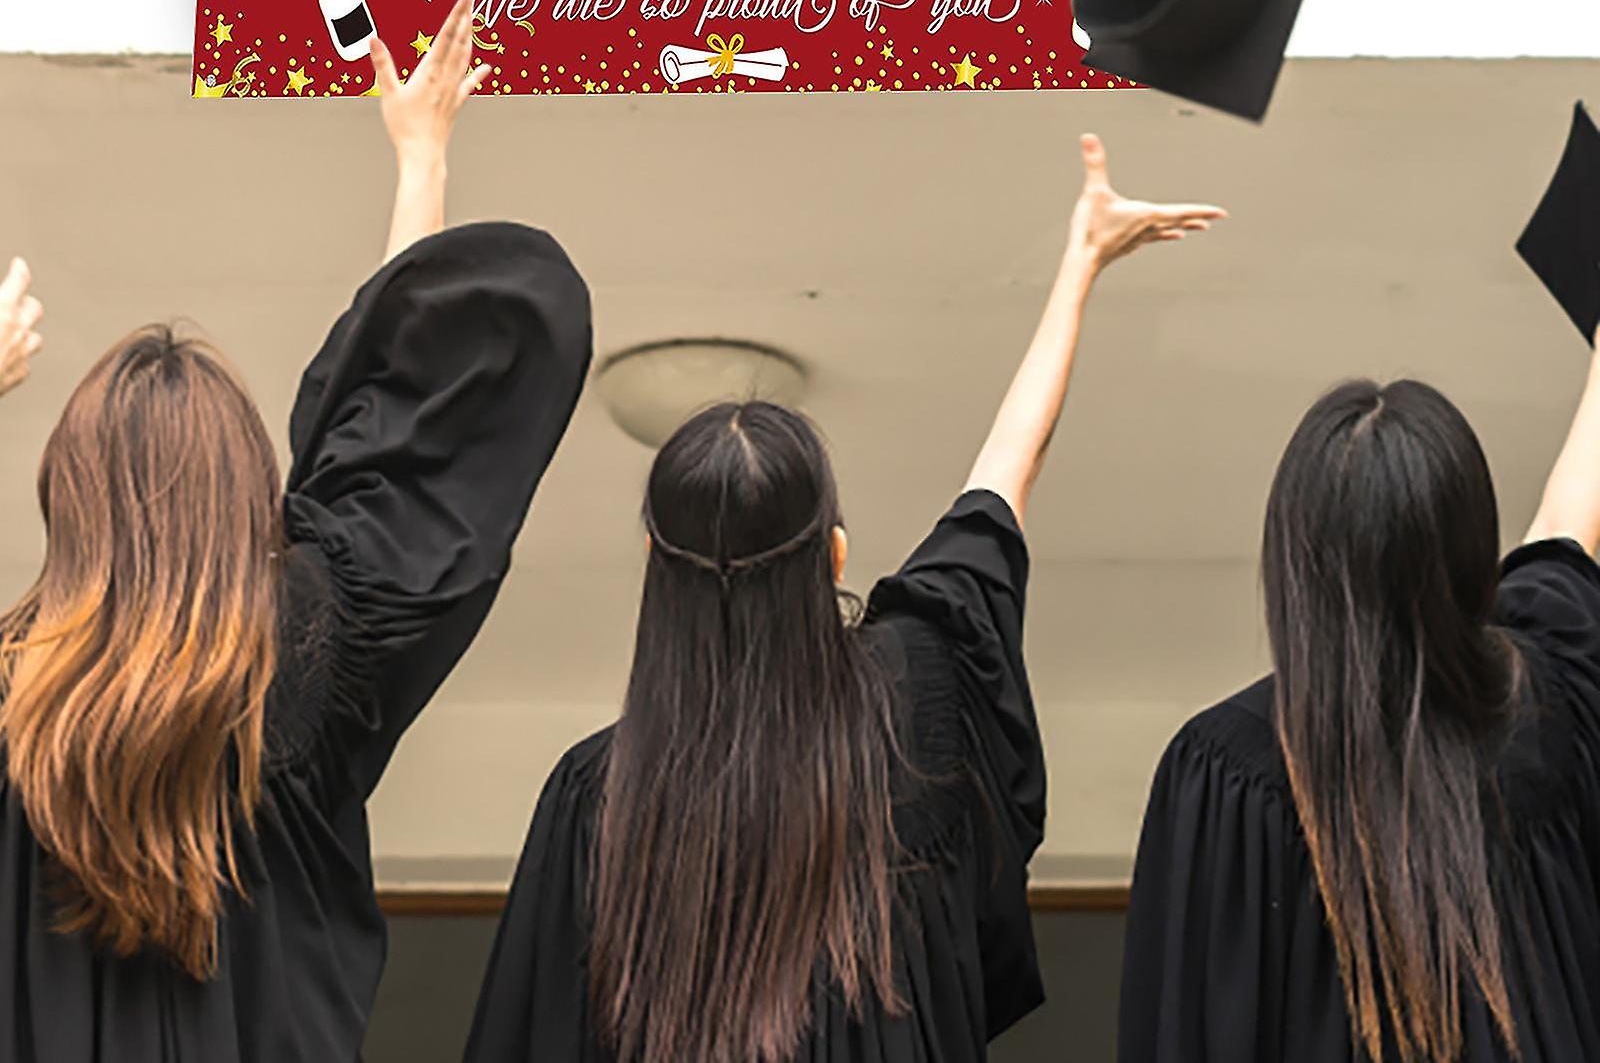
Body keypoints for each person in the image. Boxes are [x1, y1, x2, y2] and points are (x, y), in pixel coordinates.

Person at [465, 134, 1225, 1063]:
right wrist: (1081, 264)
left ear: (661, 579)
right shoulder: (916, 715)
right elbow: (999, 486)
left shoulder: (603, 800)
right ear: (834, 557)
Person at [0, 0, 592, 1063]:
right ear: (247, 495)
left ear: (67, 497)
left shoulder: (16, 708)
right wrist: (421, 157)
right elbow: (400, 439)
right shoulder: (310, 660)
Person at [1120, 364, 1600, 1063]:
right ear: (1472, 554)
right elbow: (1565, 533)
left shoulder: (1228, 773)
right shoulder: (1549, 711)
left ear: (1294, 558)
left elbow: (1186, 1030)